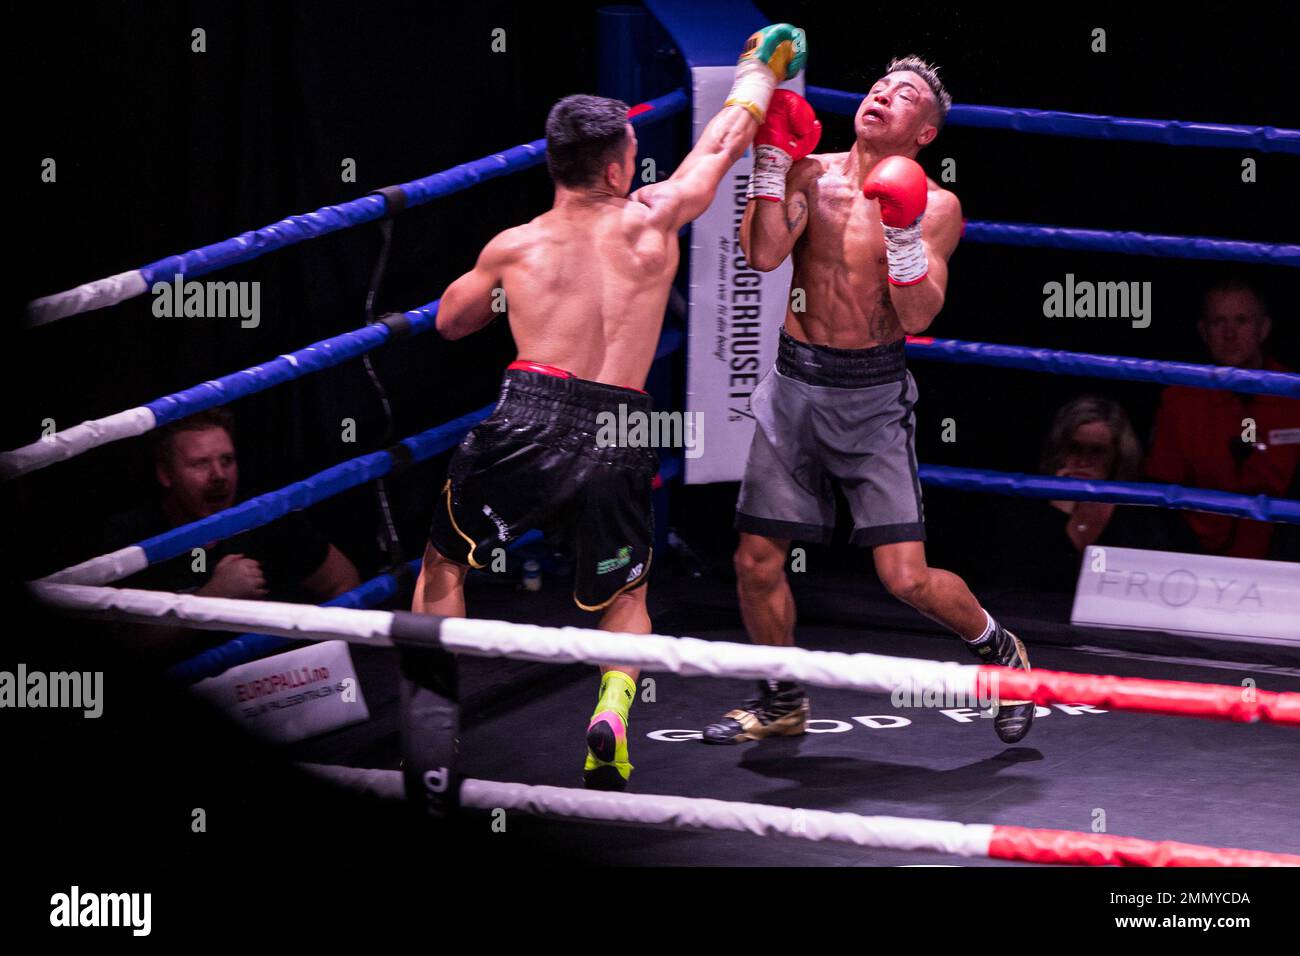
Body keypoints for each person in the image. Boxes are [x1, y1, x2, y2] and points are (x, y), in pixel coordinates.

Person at [410, 24, 809, 790]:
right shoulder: (655, 217)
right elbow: (724, 141)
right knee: (625, 595)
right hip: (620, 422)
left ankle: (433, 741)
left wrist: (499, 284)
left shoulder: (515, 245)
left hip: (528, 410)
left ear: (556, 163)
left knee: (444, 560)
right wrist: (759, 69)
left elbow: (449, 323)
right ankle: (614, 718)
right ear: (623, 162)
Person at [704, 56, 1036, 748]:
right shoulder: (809, 173)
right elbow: (764, 256)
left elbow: (918, 316)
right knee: (756, 558)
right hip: (795, 384)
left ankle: (1001, 651)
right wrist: (769, 166)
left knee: (905, 578)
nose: (883, 94)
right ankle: (781, 698)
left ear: (925, 133)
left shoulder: (938, 206)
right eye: (880, 84)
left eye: (905, 94)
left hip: (873, 397)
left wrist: (903, 235)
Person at [102, 407, 362, 656]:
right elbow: (129, 645)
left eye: (227, 460)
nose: (219, 475)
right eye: (200, 464)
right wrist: (212, 598)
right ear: (166, 474)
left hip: (277, 685)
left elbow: (343, 581)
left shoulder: (264, 516)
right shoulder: (134, 539)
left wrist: (324, 663)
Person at [1146, 278, 1300, 558]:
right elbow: (1161, 495)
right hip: (1197, 560)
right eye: (1219, 322)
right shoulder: (1179, 399)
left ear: (1263, 329)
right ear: (1203, 331)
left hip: (1285, 560)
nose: (1229, 333)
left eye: (1241, 321)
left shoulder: (1293, 394)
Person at [999, 396, 1196, 592]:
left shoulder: (1140, 512)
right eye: (1075, 448)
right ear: (1060, 450)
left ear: (1117, 456)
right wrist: (1057, 512)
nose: (1084, 461)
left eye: (1097, 451)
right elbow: (1022, 577)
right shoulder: (1033, 503)